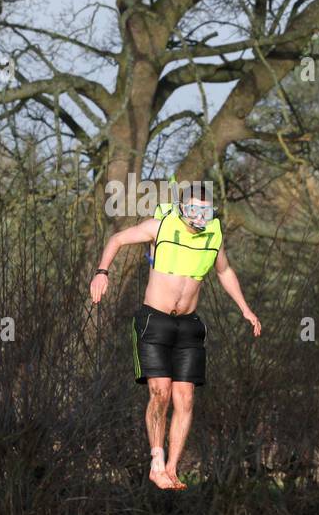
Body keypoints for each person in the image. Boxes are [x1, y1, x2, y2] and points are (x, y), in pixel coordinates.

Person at [90, 181, 261, 490]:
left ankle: (170, 468)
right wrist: (103, 272)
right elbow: (117, 238)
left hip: (188, 326)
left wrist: (245, 309)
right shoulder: (161, 226)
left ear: (211, 213)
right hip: (154, 321)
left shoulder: (214, 235)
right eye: (193, 209)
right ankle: (156, 460)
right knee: (161, 393)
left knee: (186, 397)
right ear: (183, 208)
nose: (198, 216)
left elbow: (224, 272)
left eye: (204, 210)